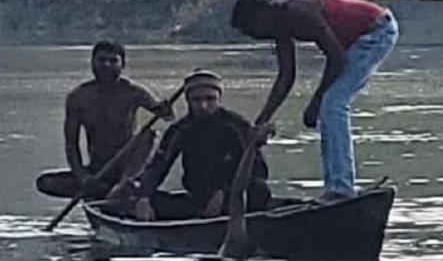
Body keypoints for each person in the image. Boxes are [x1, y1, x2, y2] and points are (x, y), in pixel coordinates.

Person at [230, 0, 398, 201]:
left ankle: (341, 188)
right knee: (330, 106)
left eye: (252, 30)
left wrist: (315, 102)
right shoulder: (280, 27)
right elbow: (286, 76)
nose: (256, 37)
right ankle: (336, 186)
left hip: (376, 31)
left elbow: (337, 58)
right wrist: (262, 119)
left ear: (262, 16)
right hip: (353, 39)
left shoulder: (300, 12)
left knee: (333, 105)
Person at [110, 70, 271, 220]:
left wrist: (225, 192)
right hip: (199, 198)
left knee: (259, 190)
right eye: (197, 100)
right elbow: (158, 167)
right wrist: (143, 196)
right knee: (135, 199)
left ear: (219, 99)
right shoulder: (180, 130)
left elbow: (258, 170)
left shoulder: (237, 126)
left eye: (210, 99)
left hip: (235, 195)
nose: (203, 106)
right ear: (188, 101)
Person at [36, 41, 172, 201]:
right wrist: (82, 177)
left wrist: (165, 109)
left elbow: (167, 117)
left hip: (127, 168)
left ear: (122, 64)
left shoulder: (133, 92)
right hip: (98, 170)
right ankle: (107, 191)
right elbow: (71, 145)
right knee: (44, 182)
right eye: (101, 60)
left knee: (149, 135)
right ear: (92, 62)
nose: (106, 65)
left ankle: (123, 185)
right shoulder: (79, 97)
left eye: (113, 61)